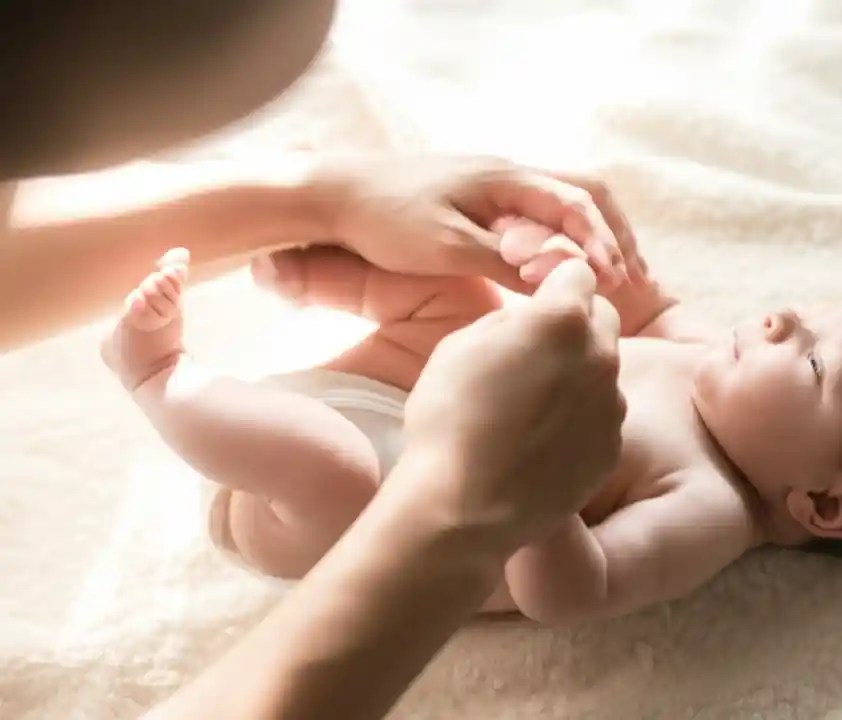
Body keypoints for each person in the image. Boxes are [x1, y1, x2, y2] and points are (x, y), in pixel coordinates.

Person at [1, 0, 635, 717]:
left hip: (387, 411)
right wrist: (455, 515)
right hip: (372, 471)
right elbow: (577, 584)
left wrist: (323, 200)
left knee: (453, 304)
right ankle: (161, 375)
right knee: (333, 469)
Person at [102, 209, 842, 625]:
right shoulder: (707, 359)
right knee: (463, 297)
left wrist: (548, 495)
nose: (779, 321)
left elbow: (573, 592)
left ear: (824, 505)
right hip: (399, 390)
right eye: (805, 310)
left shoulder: (710, 508)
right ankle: (304, 273)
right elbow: (645, 303)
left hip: (342, 516)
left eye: (813, 360)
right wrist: (590, 260)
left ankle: (158, 375)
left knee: (338, 468)